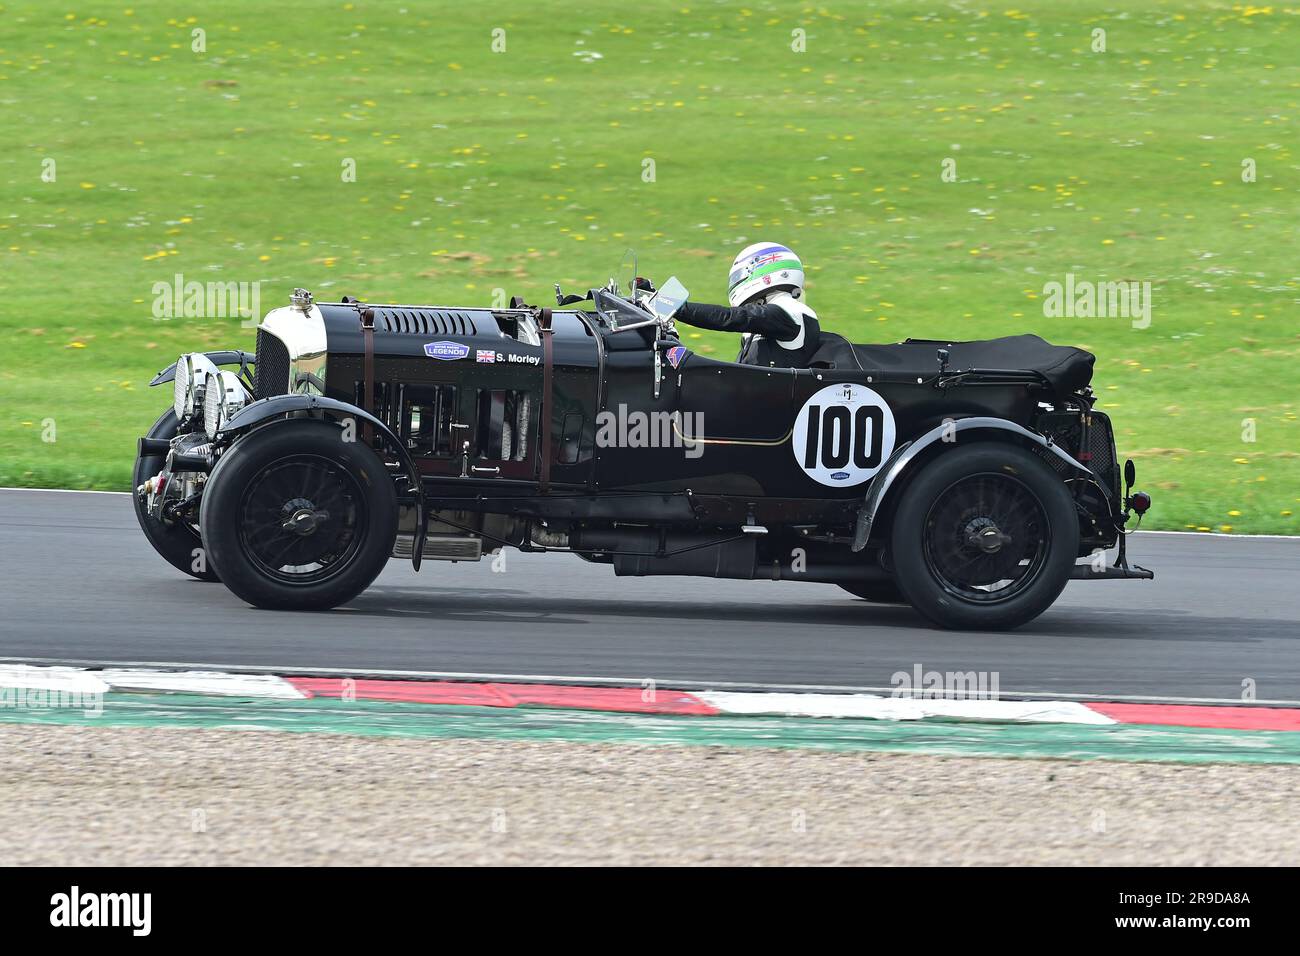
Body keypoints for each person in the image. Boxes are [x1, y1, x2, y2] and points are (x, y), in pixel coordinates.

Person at [674, 242, 822, 368]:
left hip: (772, 399)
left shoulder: (791, 309)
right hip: (752, 395)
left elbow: (731, 317)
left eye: (739, 277)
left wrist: (676, 307)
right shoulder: (760, 325)